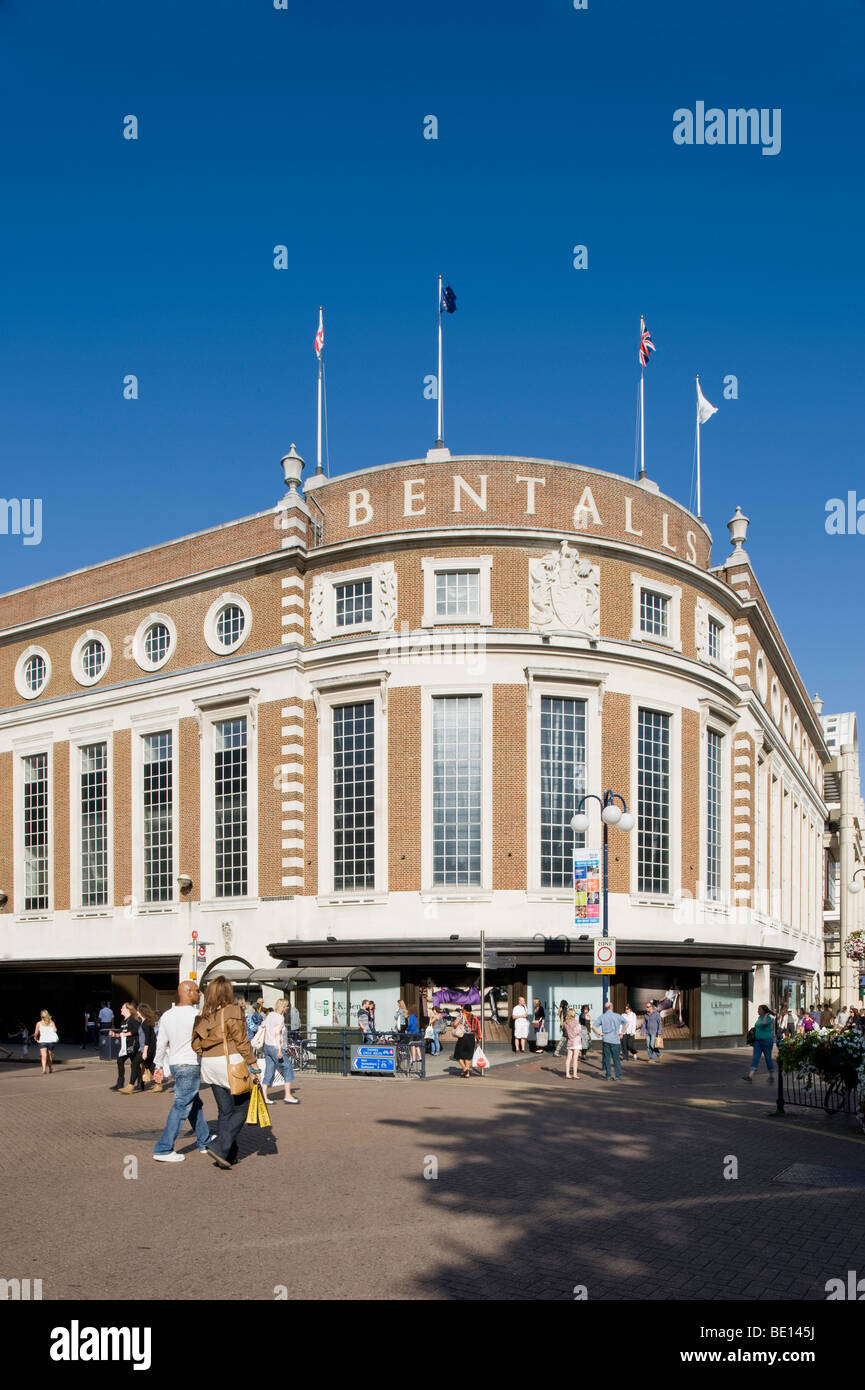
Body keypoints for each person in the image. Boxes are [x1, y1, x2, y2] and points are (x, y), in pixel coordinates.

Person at [192, 976, 262, 1169]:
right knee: (244, 1107)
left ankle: (226, 1156)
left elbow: (195, 1044)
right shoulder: (233, 1011)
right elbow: (241, 1041)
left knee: (225, 1111)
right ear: (228, 992)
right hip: (229, 1062)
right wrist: (253, 1065)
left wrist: (208, 1055)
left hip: (209, 1064)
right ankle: (220, 1145)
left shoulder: (203, 1014)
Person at [151, 980, 213, 1163]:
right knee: (181, 1106)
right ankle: (163, 1148)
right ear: (187, 992)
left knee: (194, 1104)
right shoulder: (197, 1015)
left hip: (176, 1065)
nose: (200, 994)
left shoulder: (167, 1015)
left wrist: (158, 1066)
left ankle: (204, 1141)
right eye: (196, 991)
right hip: (190, 1064)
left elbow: (161, 1042)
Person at [109, 1001, 139, 1091]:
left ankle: (139, 1083)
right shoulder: (123, 1021)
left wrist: (125, 1034)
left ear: (128, 1010)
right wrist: (115, 1035)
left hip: (132, 1045)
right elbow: (121, 1033)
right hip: (124, 1046)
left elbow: (136, 1030)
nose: (121, 1009)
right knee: (123, 1062)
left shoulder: (133, 1019)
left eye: (123, 1008)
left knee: (133, 1064)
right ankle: (120, 1083)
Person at [592, 1000, 626, 1080]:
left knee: (607, 1058)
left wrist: (599, 1033)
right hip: (615, 1040)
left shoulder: (602, 1016)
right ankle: (618, 1076)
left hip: (606, 1039)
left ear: (605, 1008)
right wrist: (622, 1032)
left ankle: (608, 1075)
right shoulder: (617, 1016)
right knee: (616, 1059)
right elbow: (627, 1023)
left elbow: (594, 1026)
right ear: (612, 1007)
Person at [744, 1004, 776, 1084]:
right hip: (757, 1042)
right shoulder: (759, 1018)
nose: (757, 1011)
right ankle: (750, 1076)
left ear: (764, 1011)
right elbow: (757, 1026)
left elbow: (764, 1023)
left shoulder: (768, 1018)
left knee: (768, 1059)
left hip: (767, 1042)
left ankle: (771, 1076)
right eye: (758, 1009)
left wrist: (766, 1015)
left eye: (759, 1009)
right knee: (755, 1058)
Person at [454, 1004, 481, 1077]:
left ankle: (465, 1069)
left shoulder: (461, 1015)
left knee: (458, 1055)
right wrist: (478, 1040)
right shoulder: (474, 1017)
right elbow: (477, 1029)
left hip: (463, 1037)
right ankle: (467, 1074)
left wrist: (459, 1021)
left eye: (463, 1008)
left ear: (465, 1009)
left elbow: (455, 1024)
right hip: (471, 1037)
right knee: (468, 1056)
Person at [562, 1009, 582, 1079]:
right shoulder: (576, 1022)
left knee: (568, 1058)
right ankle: (574, 1074)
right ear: (573, 1014)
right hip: (576, 1041)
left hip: (570, 1041)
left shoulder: (565, 1023)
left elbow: (566, 1032)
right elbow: (579, 1031)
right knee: (575, 1059)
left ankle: (567, 1074)